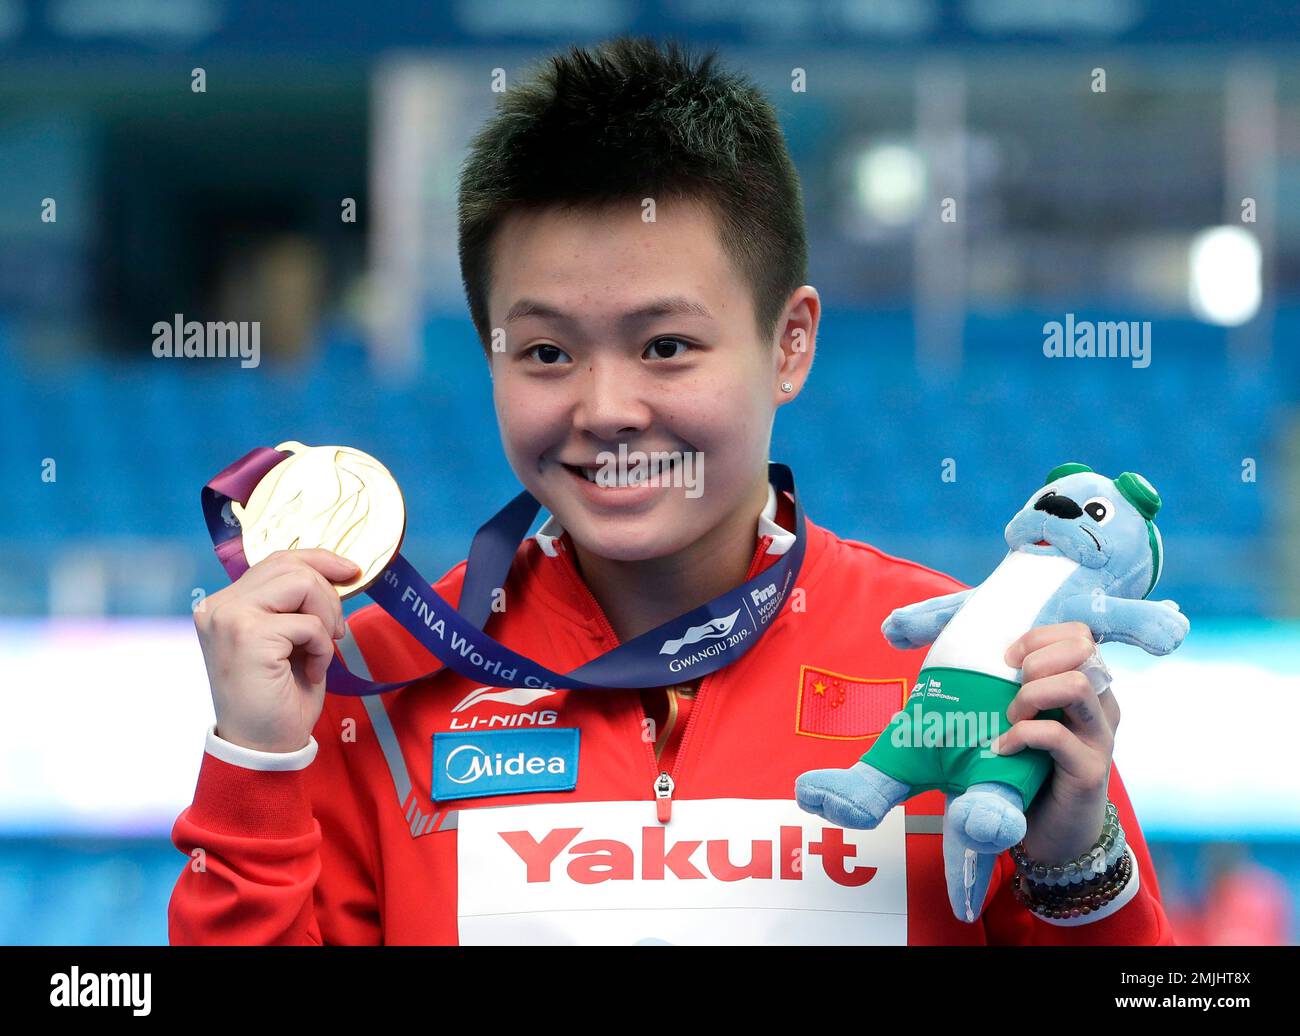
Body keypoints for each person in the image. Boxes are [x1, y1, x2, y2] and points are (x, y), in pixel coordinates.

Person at [169, 35, 1175, 945]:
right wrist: (254, 761)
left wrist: (1073, 872)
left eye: (665, 345)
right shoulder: (377, 687)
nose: (605, 407)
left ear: (789, 344)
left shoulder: (965, 663)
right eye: (547, 350)